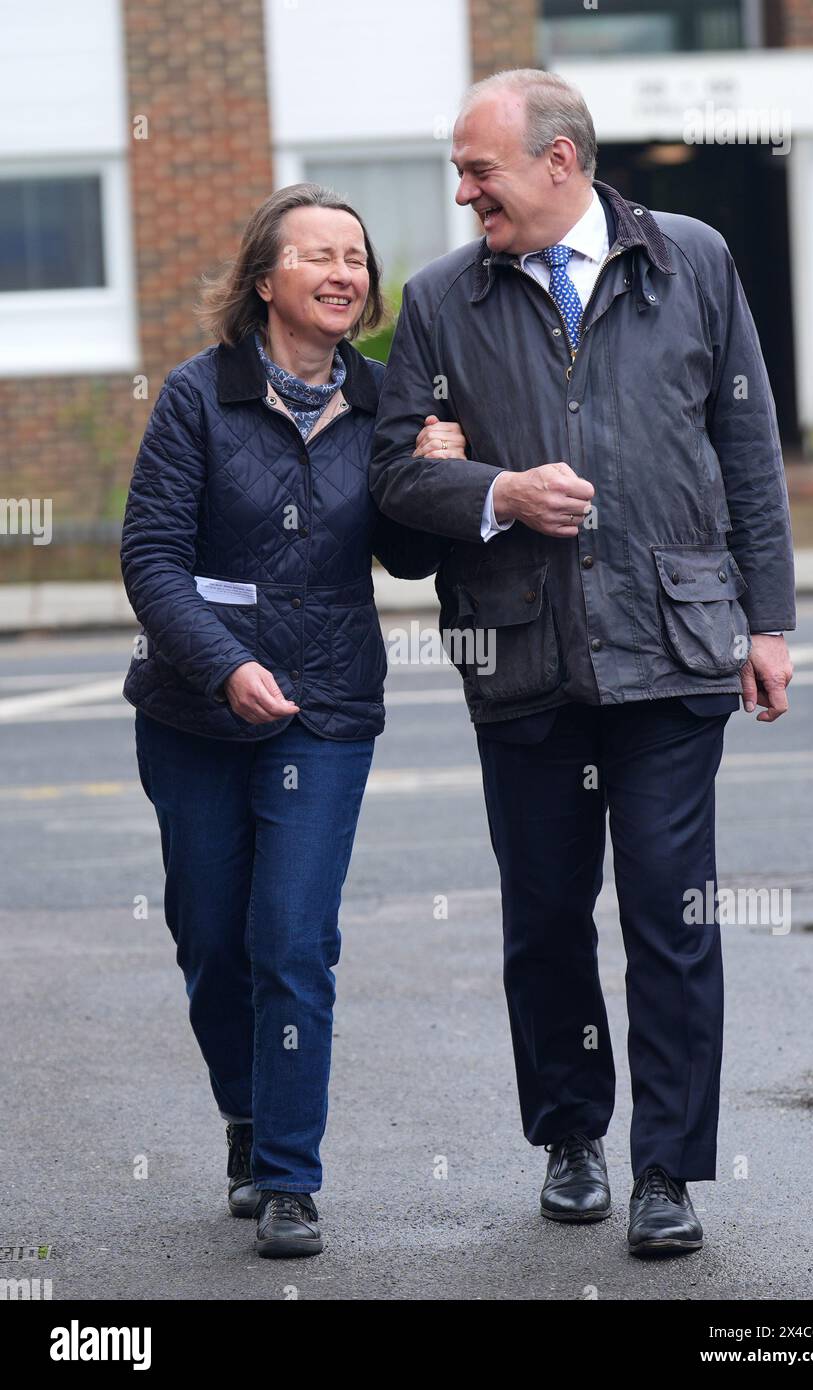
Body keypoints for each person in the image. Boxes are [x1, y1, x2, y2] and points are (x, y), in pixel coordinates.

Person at [370, 70, 795, 1257]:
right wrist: (494, 490)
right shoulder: (441, 298)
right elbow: (395, 484)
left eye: (478, 171)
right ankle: (572, 1137)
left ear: (561, 162)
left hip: (673, 649)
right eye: (461, 174)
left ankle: (668, 1169)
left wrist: (767, 622)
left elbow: (746, 441)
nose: (464, 195)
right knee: (547, 916)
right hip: (522, 658)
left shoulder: (694, 257)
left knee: (672, 918)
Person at [120, 183, 464, 1259]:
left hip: (327, 708)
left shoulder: (382, 403)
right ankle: (248, 1111)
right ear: (264, 279)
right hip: (193, 711)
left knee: (294, 938)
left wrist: (442, 485)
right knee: (214, 939)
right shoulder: (195, 398)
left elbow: (404, 554)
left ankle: (288, 1177)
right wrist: (226, 669)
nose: (344, 273)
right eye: (318, 254)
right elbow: (151, 560)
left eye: (356, 258)